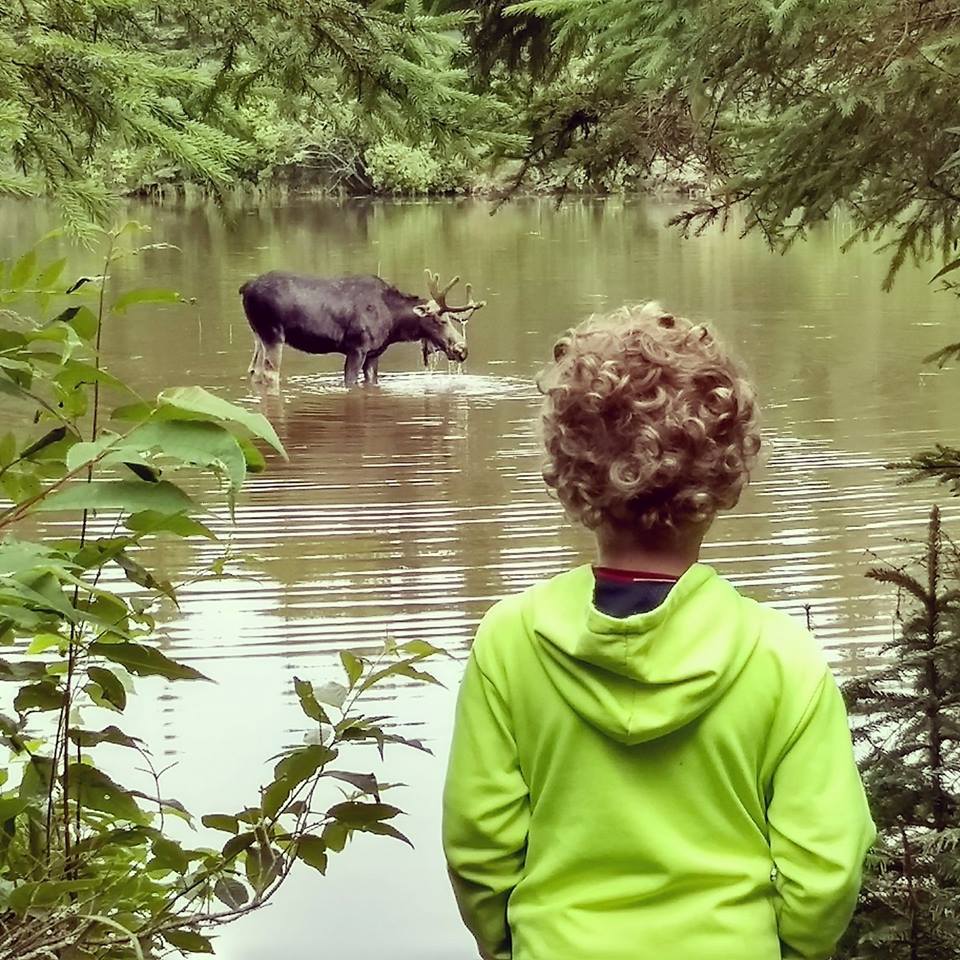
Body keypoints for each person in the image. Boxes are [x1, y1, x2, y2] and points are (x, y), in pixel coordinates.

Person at [441, 302, 875, 960]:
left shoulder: (510, 641)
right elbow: (827, 866)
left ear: (569, 476)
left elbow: (478, 845)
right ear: (724, 475)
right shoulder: (781, 657)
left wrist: (511, 947)